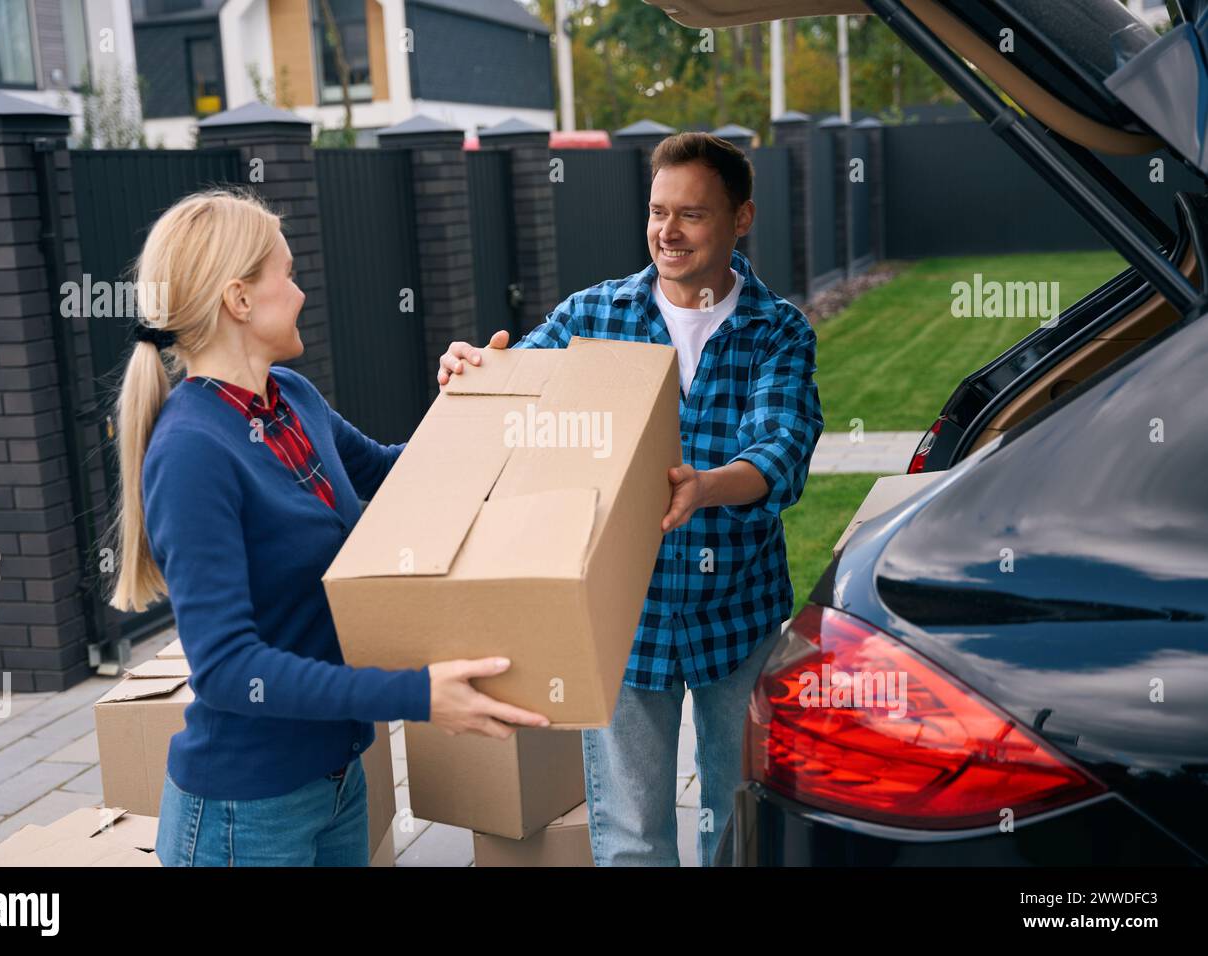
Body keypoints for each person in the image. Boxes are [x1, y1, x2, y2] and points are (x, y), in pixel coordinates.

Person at [107, 189, 549, 867]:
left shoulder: (293, 400)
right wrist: (415, 694)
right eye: (286, 274)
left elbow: (403, 473)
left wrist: (475, 396)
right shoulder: (193, 450)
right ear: (240, 300)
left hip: (336, 783)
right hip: (245, 816)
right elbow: (226, 670)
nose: (302, 292)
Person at [439, 133, 824, 866]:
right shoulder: (595, 316)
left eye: (691, 215)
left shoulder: (776, 332)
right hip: (626, 619)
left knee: (736, 824)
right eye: (656, 212)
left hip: (736, 615)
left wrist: (705, 486)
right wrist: (477, 367)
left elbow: (780, 451)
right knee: (630, 836)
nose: (667, 232)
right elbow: (517, 383)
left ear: (741, 218)